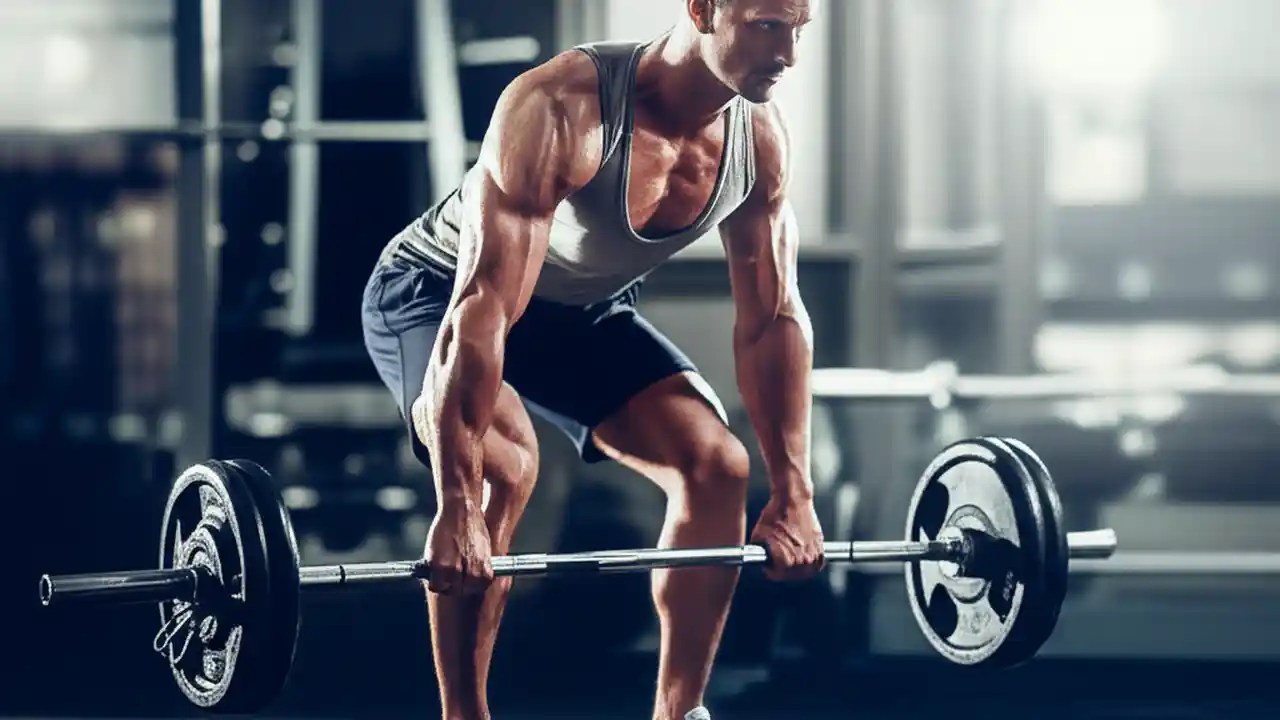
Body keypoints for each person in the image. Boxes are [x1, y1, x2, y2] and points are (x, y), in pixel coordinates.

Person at [361, 1, 823, 718]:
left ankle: (680, 712)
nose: (788, 53)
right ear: (703, 8)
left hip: (578, 310)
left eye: (798, 28)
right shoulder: (561, 106)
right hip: (437, 293)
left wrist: (794, 492)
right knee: (504, 467)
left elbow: (772, 321)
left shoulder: (758, 139)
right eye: (767, 25)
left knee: (718, 465)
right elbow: (483, 307)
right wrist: (455, 503)